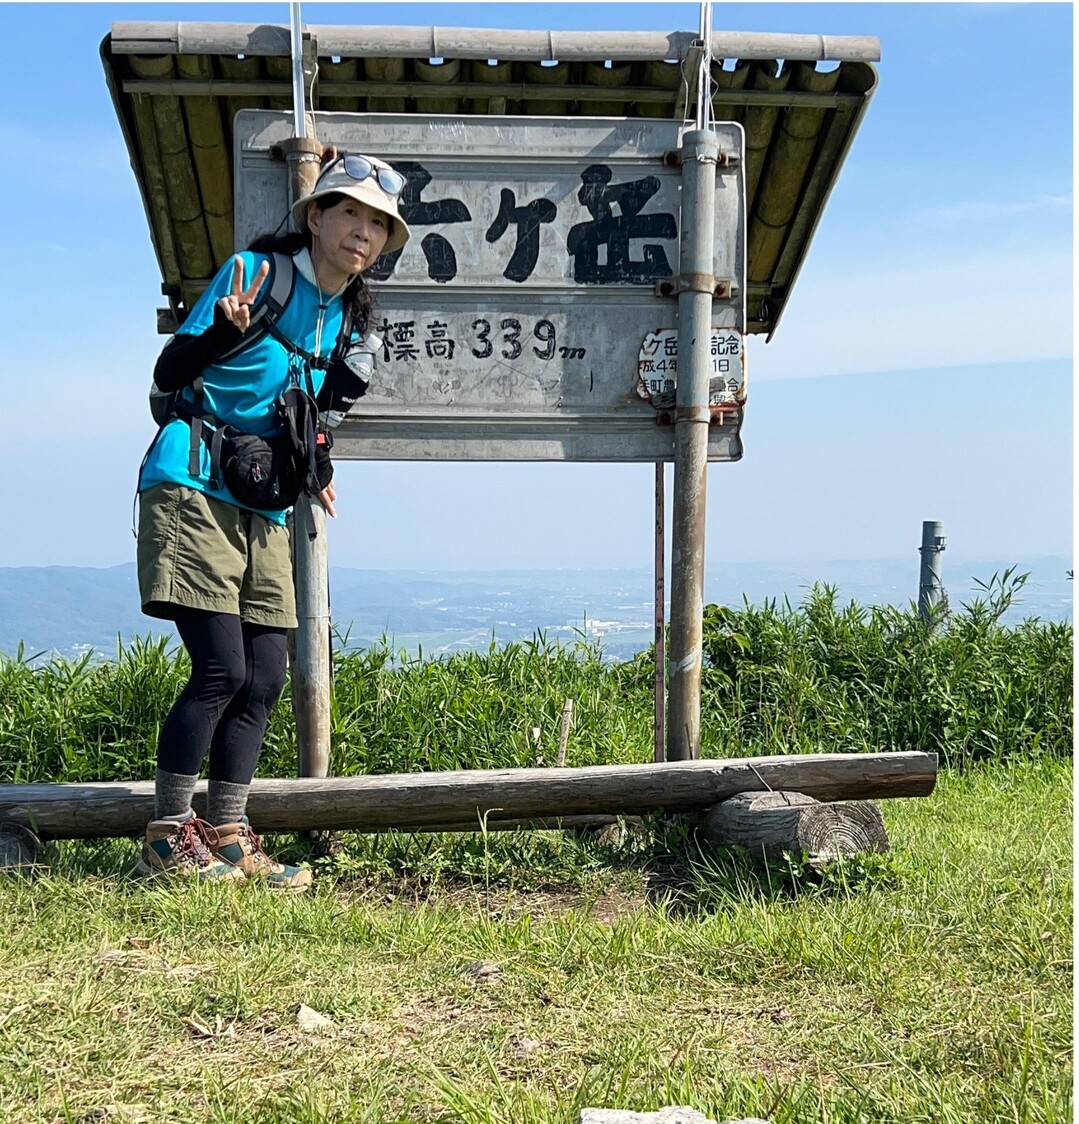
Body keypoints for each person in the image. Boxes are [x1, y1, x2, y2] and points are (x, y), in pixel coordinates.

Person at [133, 150, 410, 887]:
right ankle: (165, 840)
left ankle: (227, 837)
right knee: (220, 668)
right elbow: (167, 375)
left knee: (263, 677)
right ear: (316, 218)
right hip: (193, 480)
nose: (362, 230)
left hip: (264, 502)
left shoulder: (349, 321)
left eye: (378, 223)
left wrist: (319, 468)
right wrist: (221, 335)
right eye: (348, 212)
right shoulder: (256, 276)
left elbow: (307, 417)